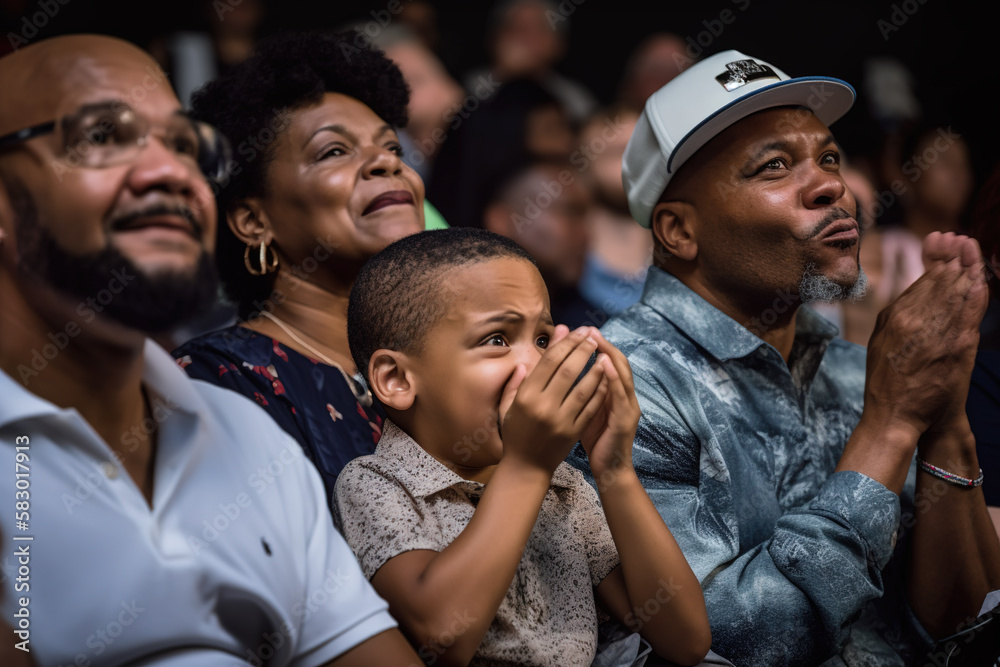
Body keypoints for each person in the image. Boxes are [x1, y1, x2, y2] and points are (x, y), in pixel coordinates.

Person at [567, 49, 1000, 665]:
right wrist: (892, 423)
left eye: (828, 157)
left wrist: (945, 421)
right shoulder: (620, 384)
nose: (833, 186)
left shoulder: (858, 370)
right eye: (774, 167)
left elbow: (961, 627)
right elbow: (735, 644)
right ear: (678, 231)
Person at [0, 34, 422, 665]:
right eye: (103, 137)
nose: (173, 171)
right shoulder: (232, 382)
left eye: (184, 146)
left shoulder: (242, 436)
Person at [335, 228, 713, 666]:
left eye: (542, 340)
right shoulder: (375, 483)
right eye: (497, 339)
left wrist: (614, 470)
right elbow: (442, 638)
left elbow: (685, 641)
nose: (535, 365)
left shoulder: (565, 487)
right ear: (397, 380)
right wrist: (527, 467)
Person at [171, 30, 427, 502]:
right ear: (253, 220)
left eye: (392, 148)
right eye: (334, 150)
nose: (385, 164)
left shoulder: (453, 357)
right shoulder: (217, 381)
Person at [482, 160, 597, 329]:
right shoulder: (459, 311)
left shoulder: (593, 327)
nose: (586, 234)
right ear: (502, 220)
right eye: (570, 212)